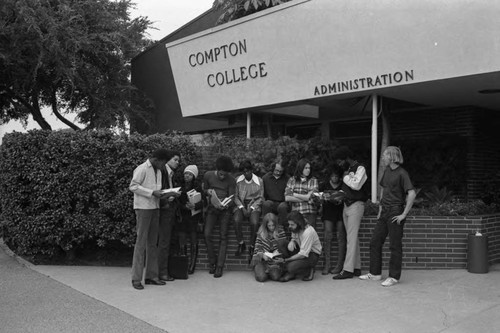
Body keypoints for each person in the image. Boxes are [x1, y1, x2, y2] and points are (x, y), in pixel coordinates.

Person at [359, 146, 416, 287]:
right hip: (384, 212)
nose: (383, 157)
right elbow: (383, 190)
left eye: (385, 155)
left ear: (391, 156)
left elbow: (412, 193)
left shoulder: (402, 173)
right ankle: (375, 273)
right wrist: (380, 209)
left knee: (394, 246)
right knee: (375, 242)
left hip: (396, 211)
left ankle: (393, 277)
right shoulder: (387, 171)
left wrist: (403, 214)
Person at [129, 149, 171, 290]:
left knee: (153, 243)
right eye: (163, 162)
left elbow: (156, 190)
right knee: (141, 243)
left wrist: (165, 195)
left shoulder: (158, 171)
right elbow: (133, 186)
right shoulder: (141, 169)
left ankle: (151, 276)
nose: (163, 165)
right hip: (143, 209)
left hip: (155, 208)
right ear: (156, 160)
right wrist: (152, 193)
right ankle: (136, 279)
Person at [333, 146, 368, 280]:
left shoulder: (360, 168)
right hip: (346, 205)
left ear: (347, 158)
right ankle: (356, 267)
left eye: (340, 161)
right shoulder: (347, 170)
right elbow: (347, 189)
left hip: (356, 205)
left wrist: (346, 177)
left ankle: (347, 270)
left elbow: (356, 185)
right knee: (353, 238)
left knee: (351, 239)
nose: (339, 164)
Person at [203, 155, 236, 278]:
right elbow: (204, 190)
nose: (223, 176)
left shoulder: (231, 180)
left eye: (225, 174)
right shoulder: (208, 175)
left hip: (224, 210)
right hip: (212, 208)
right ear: (217, 170)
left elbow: (232, 197)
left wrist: (226, 205)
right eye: (221, 174)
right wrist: (208, 192)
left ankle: (219, 266)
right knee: (207, 234)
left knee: (223, 237)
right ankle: (212, 262)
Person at [276, 211, 322, 282]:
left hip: (312, 255)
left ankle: (309, 269)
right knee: (281, 243)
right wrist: (292, 241)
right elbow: (294, 236)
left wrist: (286, 260)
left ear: (299, 223)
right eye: (289, 224)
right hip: (301, 250)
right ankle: (291, 272)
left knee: (290, 267)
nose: (289, 226)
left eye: (292, 224)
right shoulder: (296, 228)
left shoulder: (308, 232)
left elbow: (303, 254)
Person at [319, 164, 347, 275]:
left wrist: (340, 198)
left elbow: (346, 197)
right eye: (333, 176)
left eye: (336, 176)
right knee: (327, 237)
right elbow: (319, 197)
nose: (334, 178)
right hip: (328, 212)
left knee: (341, 237)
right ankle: (327, 264)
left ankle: (340, 265)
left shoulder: (343, 185)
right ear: (329, 176)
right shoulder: (324, 185)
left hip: (340, 212)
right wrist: (323, 197)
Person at [158, 150, 181, 282]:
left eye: (178, 160)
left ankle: (164, 271)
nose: (177, 163)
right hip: (164, 209)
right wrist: (168, 198)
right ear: (168, 160)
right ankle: (162, 272)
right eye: (175, 159)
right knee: (164, 242)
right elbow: (158, 190)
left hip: (169, 209)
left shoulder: (171, 173)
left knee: (166, 241)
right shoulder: (163, 172)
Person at [233, 160, 264, 259]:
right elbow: (235, 197)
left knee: (254, 222)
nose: (246, 173)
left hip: (254, 204)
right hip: (241, 203)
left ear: (251, 170)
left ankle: (252, 245)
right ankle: (241, 243)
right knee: (236, 220)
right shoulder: (238, 180)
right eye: (243, 172)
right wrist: (242, 208)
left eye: (247, 171)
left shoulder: (259, 181)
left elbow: (260, 198)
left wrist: (251, 208)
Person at [178, 165, 203, 274]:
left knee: (193, 240)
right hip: (183, 217)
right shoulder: (179, 186)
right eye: (185, 174)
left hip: (193, 217)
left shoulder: (197, 187)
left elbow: (203, 202)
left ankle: (192, 265)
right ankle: (183, 263)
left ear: (194, 176)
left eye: (189, 174)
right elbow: (177, 202)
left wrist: (195, 206)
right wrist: (184, 206)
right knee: (182, 240)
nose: (186, 176)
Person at [250, 213, 288, 282]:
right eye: (269, 226)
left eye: (273, 225)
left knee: (275, 277)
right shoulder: (261, 232)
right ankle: (262, 269)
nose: (271, 227)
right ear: (265, 225)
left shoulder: (280, 231)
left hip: (275, 260)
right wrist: (262, 255)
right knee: (261, 278)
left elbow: (283, 247)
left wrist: (277, 253)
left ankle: (270, 270)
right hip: (262, 260)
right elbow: (257, 247)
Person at [285, 158, 319, 227]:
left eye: (309, 168)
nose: (308, 170)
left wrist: (294, 194)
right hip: (296, 212)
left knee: (310, 235)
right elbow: (287, 198)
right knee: (296, 235)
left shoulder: (313, 180)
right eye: (306, 168)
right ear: (300, 168)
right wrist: (306, 197)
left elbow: (312, 198)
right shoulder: (292, 180)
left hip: (309, 212)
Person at [261, 161, 290, 226]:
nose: (278, 173)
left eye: (280, 171)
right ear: (273, 168)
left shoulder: (287, 178)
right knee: (266, 204)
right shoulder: (265, 178)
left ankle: (282, 229)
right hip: (270, 201)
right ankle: (265, 227)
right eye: (276, 170)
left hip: (283, 202)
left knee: (283, 207)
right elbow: (262, 193)